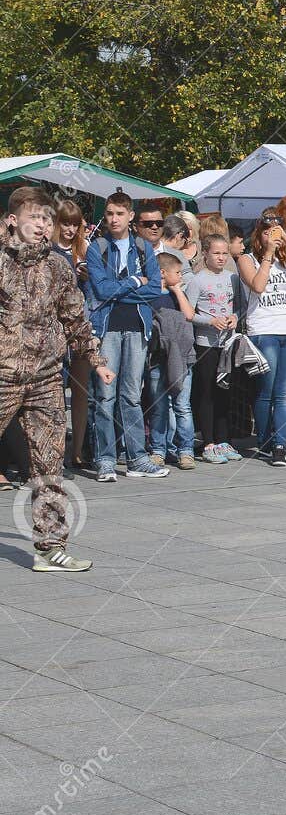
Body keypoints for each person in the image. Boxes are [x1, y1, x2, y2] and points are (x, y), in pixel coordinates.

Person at [1, 185, 114, 570]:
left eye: (48, 219)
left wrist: (95, 359)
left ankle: (49, 548)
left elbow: (74, 318)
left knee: (50, 466)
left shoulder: (57, 266)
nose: (44, 225)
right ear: (13, 220)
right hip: (2, 376)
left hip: (47, 378)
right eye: (36, 217)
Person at [85, 191, 170, 481]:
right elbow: (101, 290)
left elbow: (155, 288)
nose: (114, 219)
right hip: (107, 327)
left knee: (132, 396)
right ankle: (106, 460)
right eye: (109, 213)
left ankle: (137, 458)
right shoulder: (97, 247)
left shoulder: (144, 248)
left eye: (119, 213)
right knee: (105, 396)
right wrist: (134, 281)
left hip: (137, 327)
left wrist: (121, 289)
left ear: (130, 216)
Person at [238, 210, 286, 466]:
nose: (272, 235)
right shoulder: (247, 259)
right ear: (259, 233)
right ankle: (265, 440)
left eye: (276, 231)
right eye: (268, 231)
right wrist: (268, 253)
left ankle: (280, 444)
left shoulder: (285, 258)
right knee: (266, 391)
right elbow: (257, 286)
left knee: (285, 393)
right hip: (263, 330)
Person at [185, 235, 244, 464]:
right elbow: (188, 313)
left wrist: (234, 317)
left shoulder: (233, 278)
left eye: (224, 253)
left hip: (228, 343)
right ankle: (208, 441)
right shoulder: (198, 280)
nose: (221, 257)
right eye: (216, 253)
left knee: (225, 390)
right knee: (207, 391)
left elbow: (241, 306)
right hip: (206, 343)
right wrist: (210, 321)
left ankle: (223, 439)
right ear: (206, 254)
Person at [51, 199, 92, 470]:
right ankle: (53, 454)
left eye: (74, 224)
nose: (70, 229)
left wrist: (88, 274)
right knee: (54, 394)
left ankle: (77, 451)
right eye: (65, 223)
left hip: (80, 325)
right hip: (54, 329)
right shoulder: (48, 250)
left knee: (80, 392)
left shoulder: (83, 249)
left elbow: (94, 293)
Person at [148, 253, 198, 469]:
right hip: (158, 357)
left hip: (183, 356)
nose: (181, 276)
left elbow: (189, 315)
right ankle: (159, 449)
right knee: (159, 406)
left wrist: (177, 290)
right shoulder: (150, 296)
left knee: (182, 405)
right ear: (162, 273)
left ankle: (186, 450)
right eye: (177, 273)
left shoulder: (178, 294)